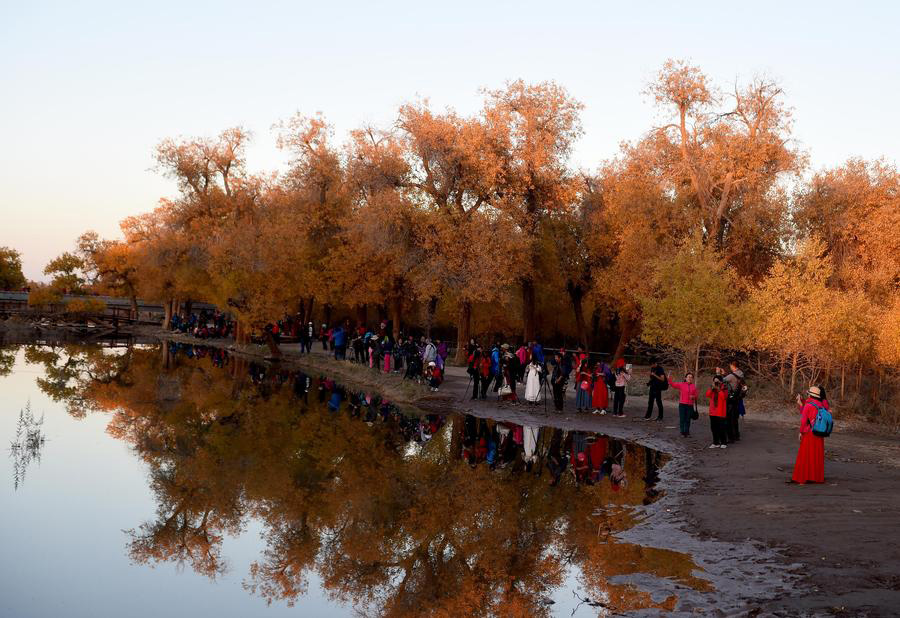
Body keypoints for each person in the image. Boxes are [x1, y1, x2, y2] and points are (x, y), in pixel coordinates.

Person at [791, 385, 828, 484]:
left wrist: (801, 432)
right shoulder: (821, 405)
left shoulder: (808, 405)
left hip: (809, 433)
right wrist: (800, 403)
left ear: (810, 395)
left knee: (805, 455)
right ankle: (816, 477)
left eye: (808, 394)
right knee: (816, 455)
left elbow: (804, 421)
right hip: (819, 432)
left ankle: (802, 477)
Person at [669, 372, 698, 437]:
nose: (690, 378)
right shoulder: (681, 384)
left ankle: (687, 432)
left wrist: (693, 397)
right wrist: (669, 378)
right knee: (682, 419)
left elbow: (696, 395)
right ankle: (682, 432)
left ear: (692, 379)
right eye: (688, 377)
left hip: (690, 405)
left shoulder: (694, 386)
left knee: (688, 419)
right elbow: (673, 385)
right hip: (682, 404)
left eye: (691, 377)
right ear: (685, 378)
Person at [722, 361, 745, 442]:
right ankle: (736, 435)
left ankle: (731, 437)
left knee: (729, 418)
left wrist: (721, 374)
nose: (730, 367)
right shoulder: (741, 374)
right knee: (735, 418)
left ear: (733, 366)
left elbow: (722, 380)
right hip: (738, 398)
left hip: (731, 398)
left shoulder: (731, 376)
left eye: (731, 366)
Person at [705, 376, 729, 448]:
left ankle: (723, 442)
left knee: (721, 428)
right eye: (714, 381)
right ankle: (715, 442)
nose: (716, 383)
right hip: (712, 412)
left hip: (721, 412)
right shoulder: (712, 388)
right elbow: (707, 395)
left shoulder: (724, 388)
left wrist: (719, 390)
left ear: (721, 382)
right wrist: (712, 389)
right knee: (713, 428)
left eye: (717, 381)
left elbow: (724, 397)